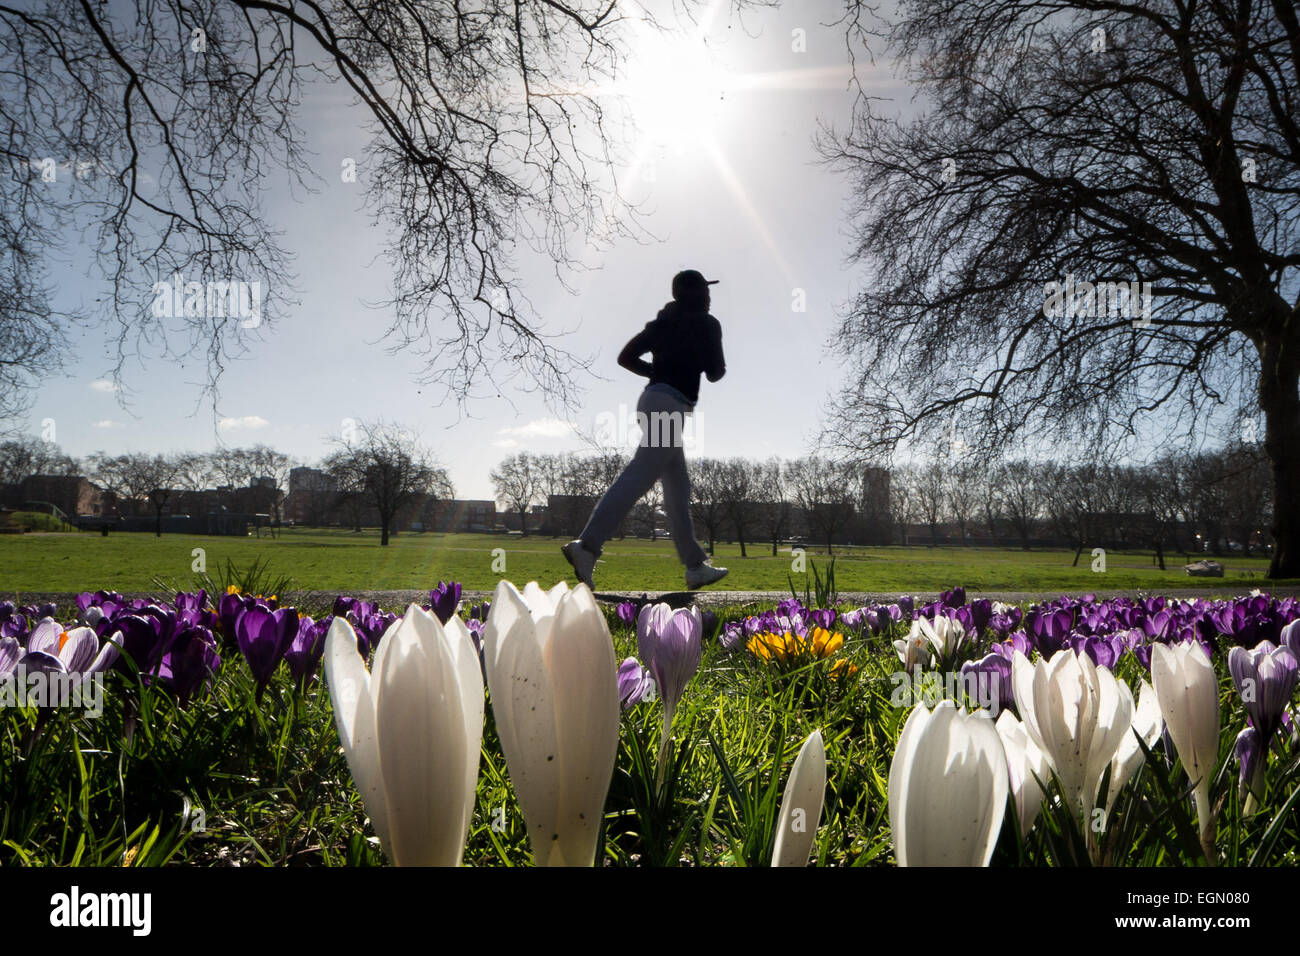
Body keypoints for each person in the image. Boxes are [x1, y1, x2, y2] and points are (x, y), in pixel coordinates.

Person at [563, 269, 730, 591]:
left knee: (678, 490)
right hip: (671, 404)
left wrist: (658, 370)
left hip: (652, 398)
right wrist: (701, 352)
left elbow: (626, 357)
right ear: (694, 294)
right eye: (705, 292)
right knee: (639, 475)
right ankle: (587, 546)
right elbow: (716, 373)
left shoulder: (661, 323)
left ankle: (695, 567)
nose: (710, 297)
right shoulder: (708, 323)